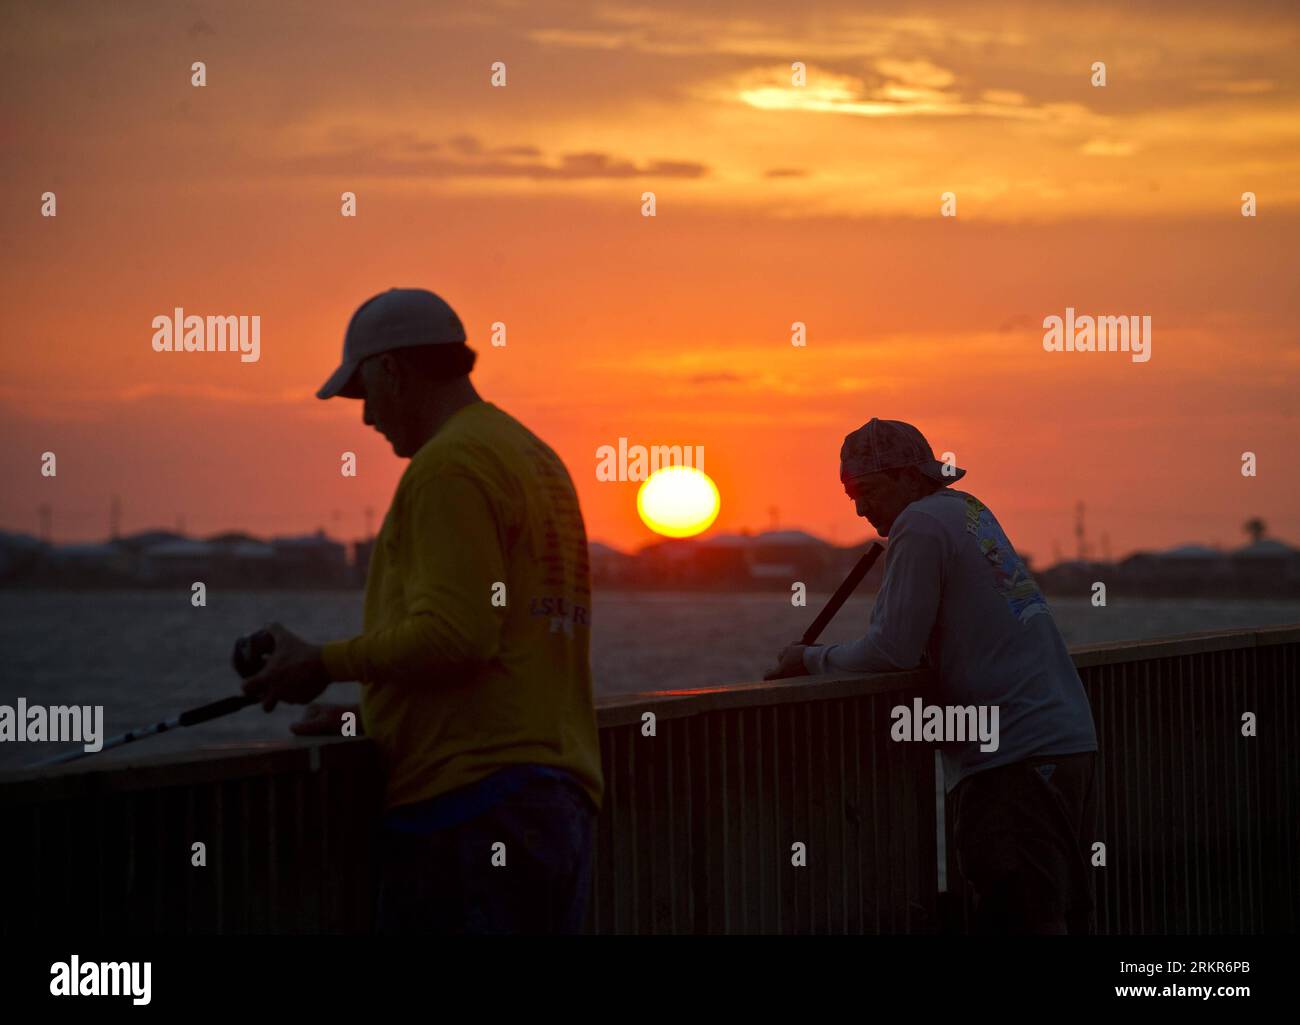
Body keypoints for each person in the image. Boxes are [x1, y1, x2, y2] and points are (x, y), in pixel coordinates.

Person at [241, 287, 603, 935]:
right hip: (554, 805)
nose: (367, 417)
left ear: (392, 371)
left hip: (468, 810)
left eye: (364, 393)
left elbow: (457, 635)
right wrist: (378, 711)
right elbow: (505, 648)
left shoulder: (448, 467)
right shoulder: (532, 456)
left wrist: (320, 663)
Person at [765, 418, 1099, 935]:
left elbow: (891, 648)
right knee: (1041, 908)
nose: (858, 508)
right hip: (1060, 737)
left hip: (1012, 756)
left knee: (1020, 915)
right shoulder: (968, 510)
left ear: (907, 477)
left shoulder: (918, 524)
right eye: (851, 495)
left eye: (867, 491)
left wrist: (807, 658)